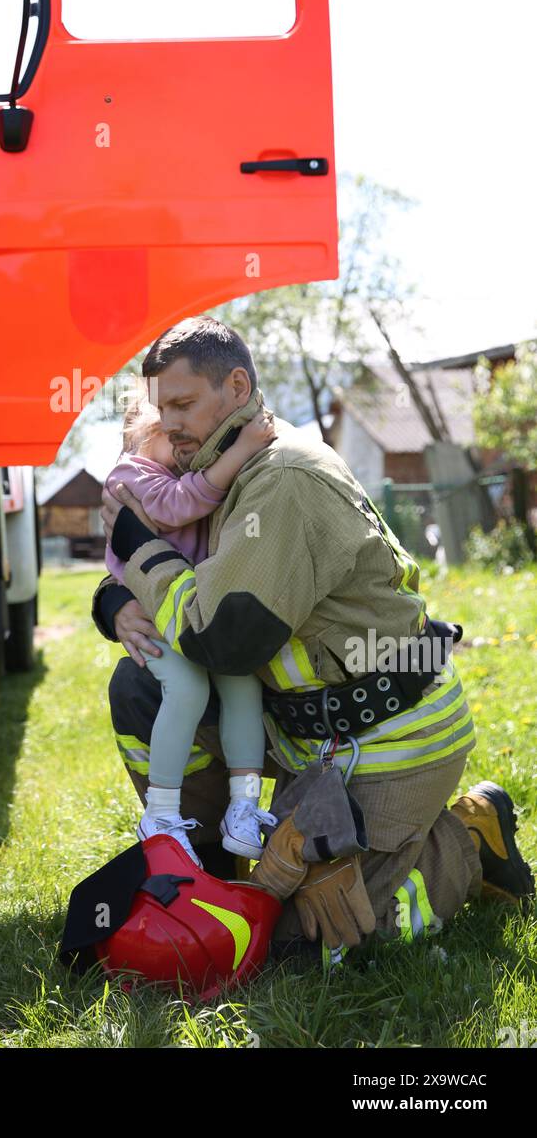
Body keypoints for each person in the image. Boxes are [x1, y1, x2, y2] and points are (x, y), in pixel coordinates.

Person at [93, 314, 534, 958]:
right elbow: (184, 565)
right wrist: (113, 599)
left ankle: (467, 836)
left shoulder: (281, 481)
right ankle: (208, 868)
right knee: (142, 689)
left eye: (184, 404)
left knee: (315, 944)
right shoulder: (216, 474)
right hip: (297, 729)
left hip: (388, 738)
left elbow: (222, 640)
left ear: (237, 387)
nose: (171, 424)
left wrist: (135, 544)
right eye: (163, 409)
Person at [103, 389, 279, 864]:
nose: (185, 457)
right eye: (174, 439)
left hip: (196, 613)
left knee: (241, 684)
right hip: (156, 615)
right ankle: (160, 815)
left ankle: (243, 807)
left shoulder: (180, 471)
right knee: (186, 690)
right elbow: (177, 506)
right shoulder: (131, 475)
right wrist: (241, 449)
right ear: (148, 431)